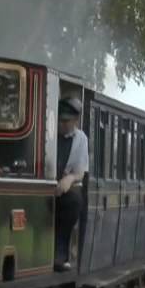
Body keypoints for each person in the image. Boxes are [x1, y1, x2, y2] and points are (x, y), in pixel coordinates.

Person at [54, 96, 89, 271]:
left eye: (67, 121)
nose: (63, 124)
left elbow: (80, 172)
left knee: (75, 202)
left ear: (75, 120)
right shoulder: (51, 133)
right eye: (61, 120)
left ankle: (61, 253)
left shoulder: (81, 139)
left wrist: (68, 179)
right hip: (47, 183)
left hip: (64, 186)